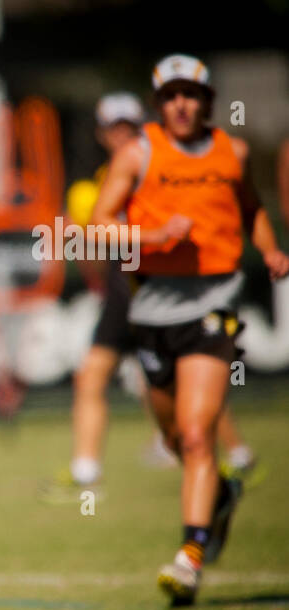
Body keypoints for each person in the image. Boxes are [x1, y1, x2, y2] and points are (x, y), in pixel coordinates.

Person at [91, 55, 288, 606]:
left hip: (213, 305)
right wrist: (152, 237)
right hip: (151, 312)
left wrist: (269, 248)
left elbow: (252, 208)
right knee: (177, 437)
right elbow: (99, 226)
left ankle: (191, 556)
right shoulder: (138, 154)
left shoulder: (235, 152)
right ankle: (221, 494)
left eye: (192, 94)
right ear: (158, 104)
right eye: (171, 95)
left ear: (209, 100)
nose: (182, 104)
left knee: (199, 434)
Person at [46, 93, 255, 501]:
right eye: (113, 127)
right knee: (92, 376)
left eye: (128, 126)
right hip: (122, 293)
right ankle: (86, 471)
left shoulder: (159, 170)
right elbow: (82, 238)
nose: (120, 134)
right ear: (101, 133)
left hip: (160, 295)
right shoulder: (100, 182)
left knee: (186, 384)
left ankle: (234, 457)